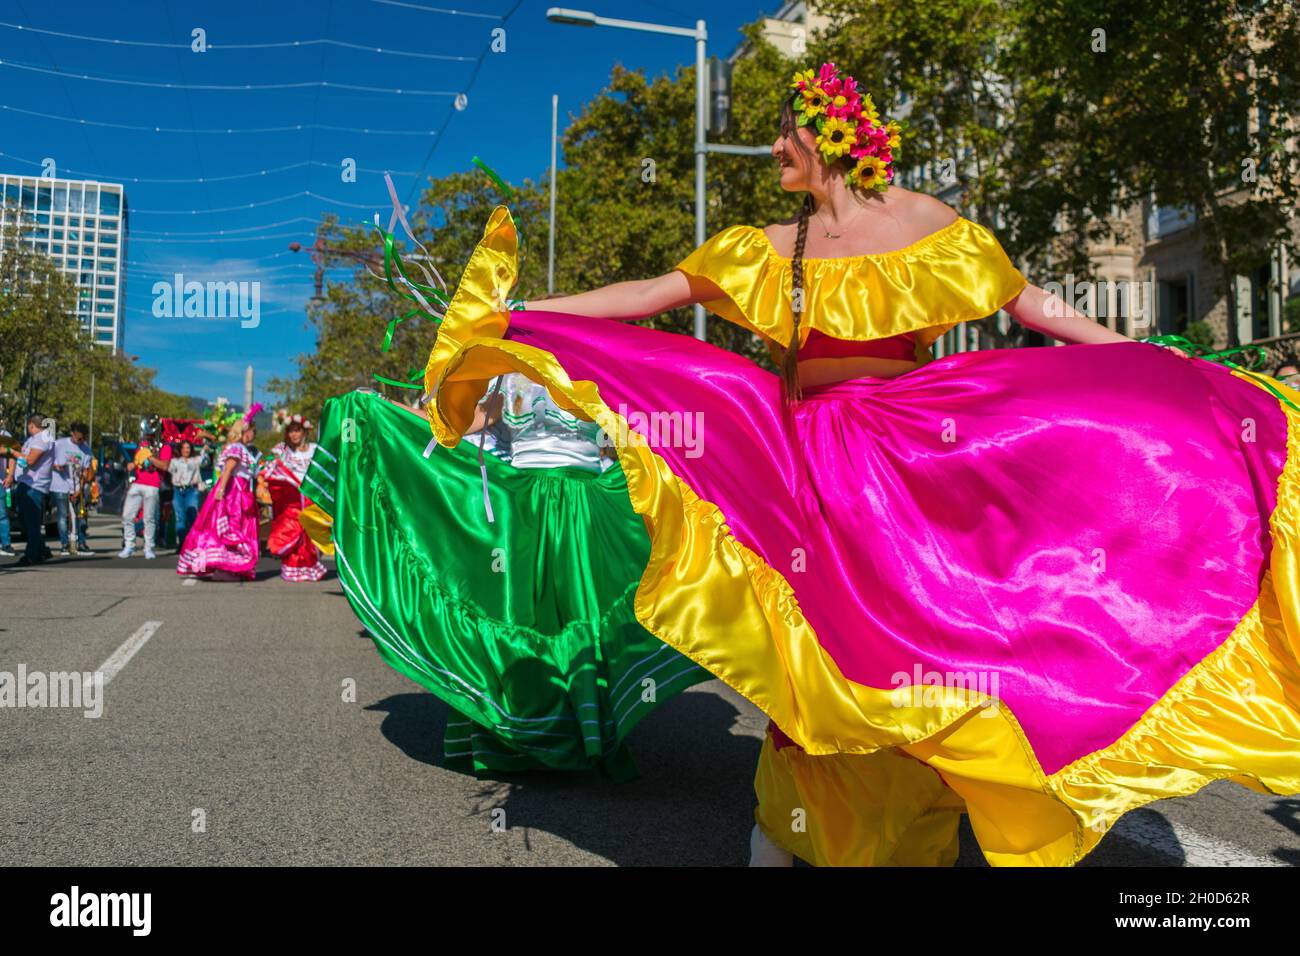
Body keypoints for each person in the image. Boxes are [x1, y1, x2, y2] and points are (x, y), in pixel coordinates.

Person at [348, 60, 1300, 867]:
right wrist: (524, 317)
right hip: (818, 460)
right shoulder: (770, 246)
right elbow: (645, 296)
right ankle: (806, 825)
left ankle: (930, 797)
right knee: (828, 646)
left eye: (784, 136)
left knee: (926, 637)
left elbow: (1036, 309)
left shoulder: (927, 221)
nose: (773, 150)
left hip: (912, 455)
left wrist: (1151, 361)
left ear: (826, 137)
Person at [176, 418, 260, 580]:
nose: (254, 435)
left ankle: (230, 567)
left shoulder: (241, 448)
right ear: (244, 431)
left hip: (238, 491)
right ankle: (225, 568)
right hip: (234, 493)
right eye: (252, 431)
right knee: (231, 529)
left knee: (231, 529)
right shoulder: (237, 448)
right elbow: (228, 469)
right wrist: (221, 490)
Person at [259, 412, 327, 582]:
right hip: (291, 501)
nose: (294, 434)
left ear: (304, 432)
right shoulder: (283, 450)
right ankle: (293, 567)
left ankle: (310, 566)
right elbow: (271, 468)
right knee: (292, 531)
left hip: (312, 498)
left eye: (297, 430)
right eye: (291, 431)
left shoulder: (314, 449)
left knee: (310, 533)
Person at [118, 425, 171, 560]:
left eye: (151, 434)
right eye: (146, 433)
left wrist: (150, 457)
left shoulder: (165, 447)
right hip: (137, 483)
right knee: (127, 515)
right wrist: (132, 465)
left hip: (153, 485)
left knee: (149, 518)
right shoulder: (142, 446)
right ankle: (129, 545)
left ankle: (149, 547)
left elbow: (165, 466)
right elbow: (137, 462)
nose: (147, 436)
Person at [11, 414, 54, 566]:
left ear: (31, 425)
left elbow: (30, 460)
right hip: (27, 483)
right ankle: (41, 549)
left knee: (31, 523)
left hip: (33, 485)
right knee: (25, 520)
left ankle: (32, 555)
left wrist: (12, 452)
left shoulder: (42, 438)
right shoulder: (34, 439)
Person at [51, 423, 93, 556]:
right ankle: (65, 544)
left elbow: (86, 471)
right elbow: (47, 460)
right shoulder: (59, 444)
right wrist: (55, 466)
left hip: (77, 486)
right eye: (78, 438)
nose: (81, 441)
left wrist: (80, 489)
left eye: (83, 439)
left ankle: (81, 542)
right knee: (62, 516)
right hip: (60, 485)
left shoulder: (86, 449)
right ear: (72, 434)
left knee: (81, 516)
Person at [167, 440, 208, 550]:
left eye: (188, 448)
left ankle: (194, 543)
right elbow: (169, 469)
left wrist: (204, 449)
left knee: (192, 515)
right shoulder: (175, 461)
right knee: (180, 517)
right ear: (180, 449)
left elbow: (204, 460)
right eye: (184, 448)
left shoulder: (195, 460)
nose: (186, 450)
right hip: (178, 490)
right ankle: (182, 543)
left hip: (191, 490)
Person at [0, 424, 16, 558]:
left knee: (2, 514)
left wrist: (10, 475)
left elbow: (12, 456)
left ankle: (6, 544)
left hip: (0, 481)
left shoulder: (5, 435)